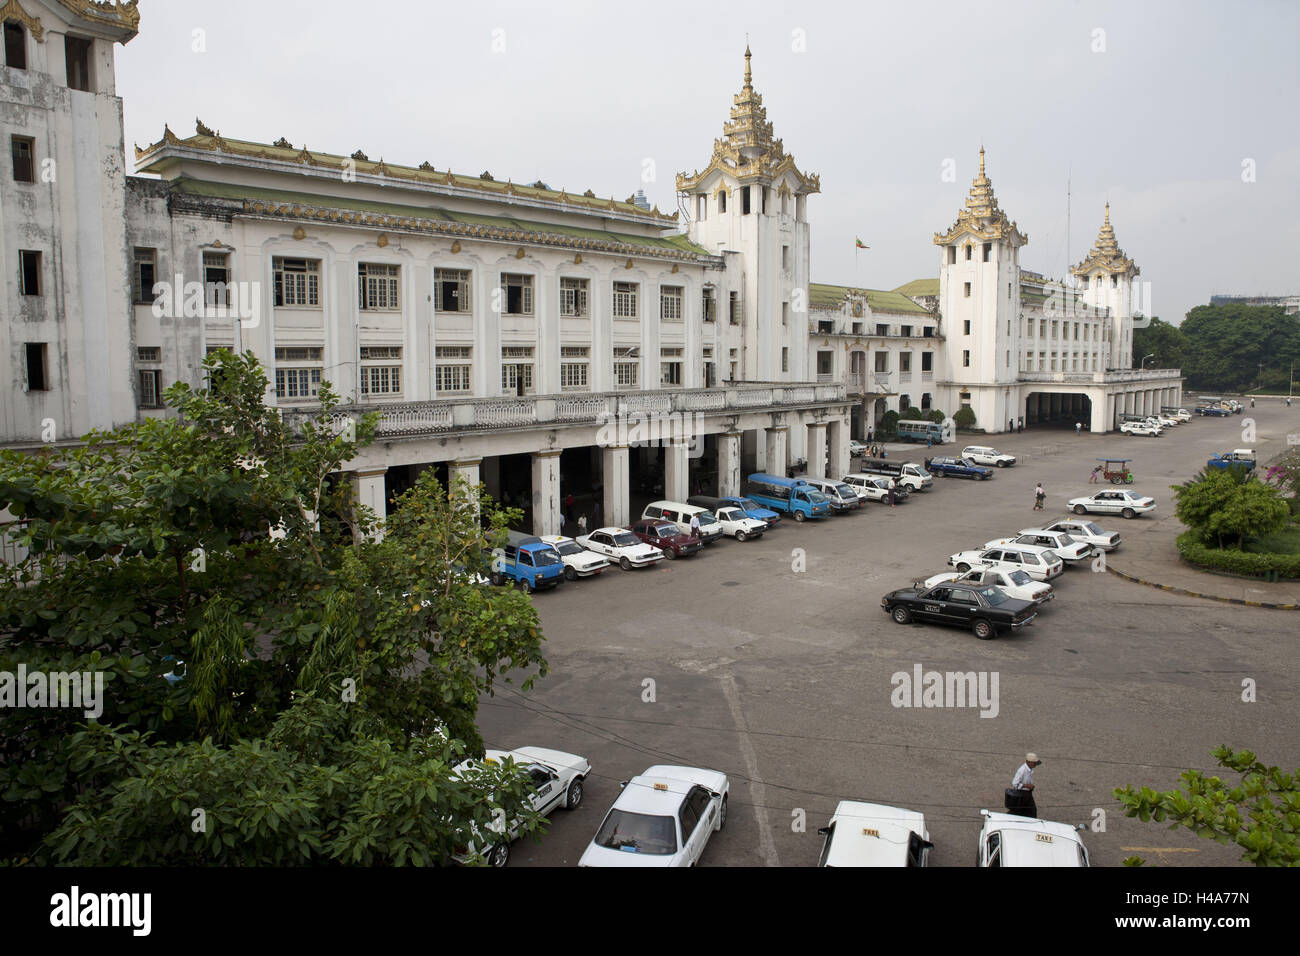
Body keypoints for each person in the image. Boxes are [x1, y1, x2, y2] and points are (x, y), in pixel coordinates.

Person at [1006, 753, 1042, 818]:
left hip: (1027, 794)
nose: (1035, 765)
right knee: (1030, 811)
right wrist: (1027, 786)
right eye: (1034, 763)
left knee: (1024, 811)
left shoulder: (1030, 769)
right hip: (1022, 794)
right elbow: (1014, 783)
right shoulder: (1022, 770)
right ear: (1028, 762)